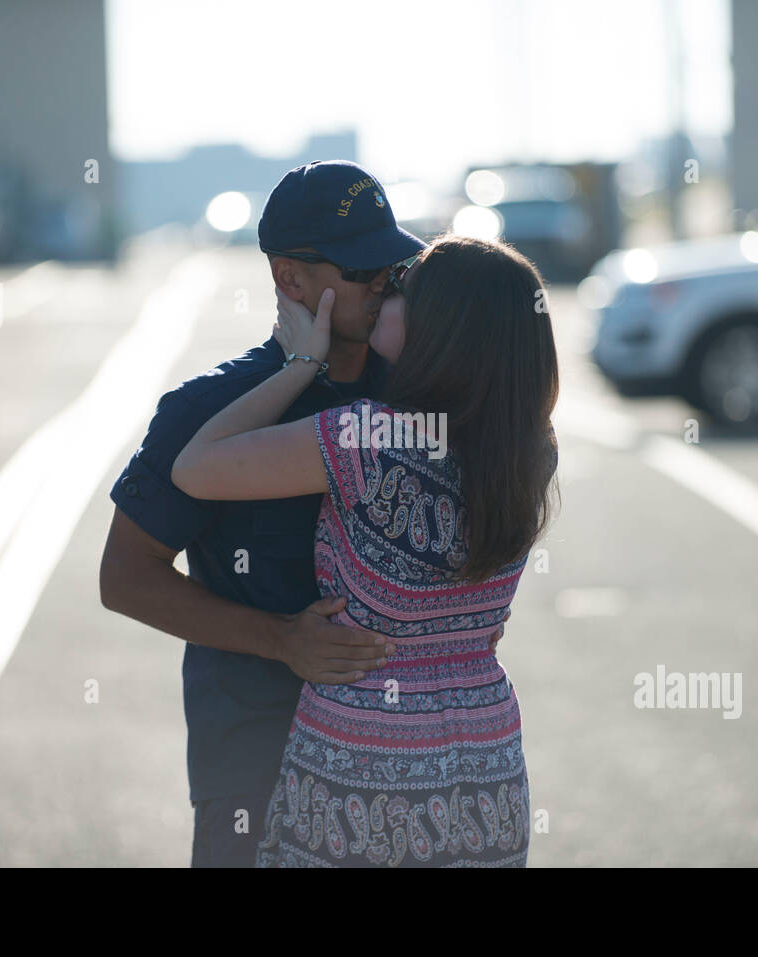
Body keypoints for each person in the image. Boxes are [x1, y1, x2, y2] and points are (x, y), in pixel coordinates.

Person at [100, 160, 502, 867]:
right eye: (362, 269)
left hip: (403, 769)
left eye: (393, 263)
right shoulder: (206, 412)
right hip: (257, 757)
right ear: (291, 278)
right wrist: (281, 638)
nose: (385, 280)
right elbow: (125, 577)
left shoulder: (414, 395)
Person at [171, 233, 560, 866]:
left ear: (442, 327)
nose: (383, 291)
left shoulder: (362, 438)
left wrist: (300, 364)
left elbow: (195, 467)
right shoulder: (531, 447)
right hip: (486, 764)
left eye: (403, 288)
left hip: (364, 764)